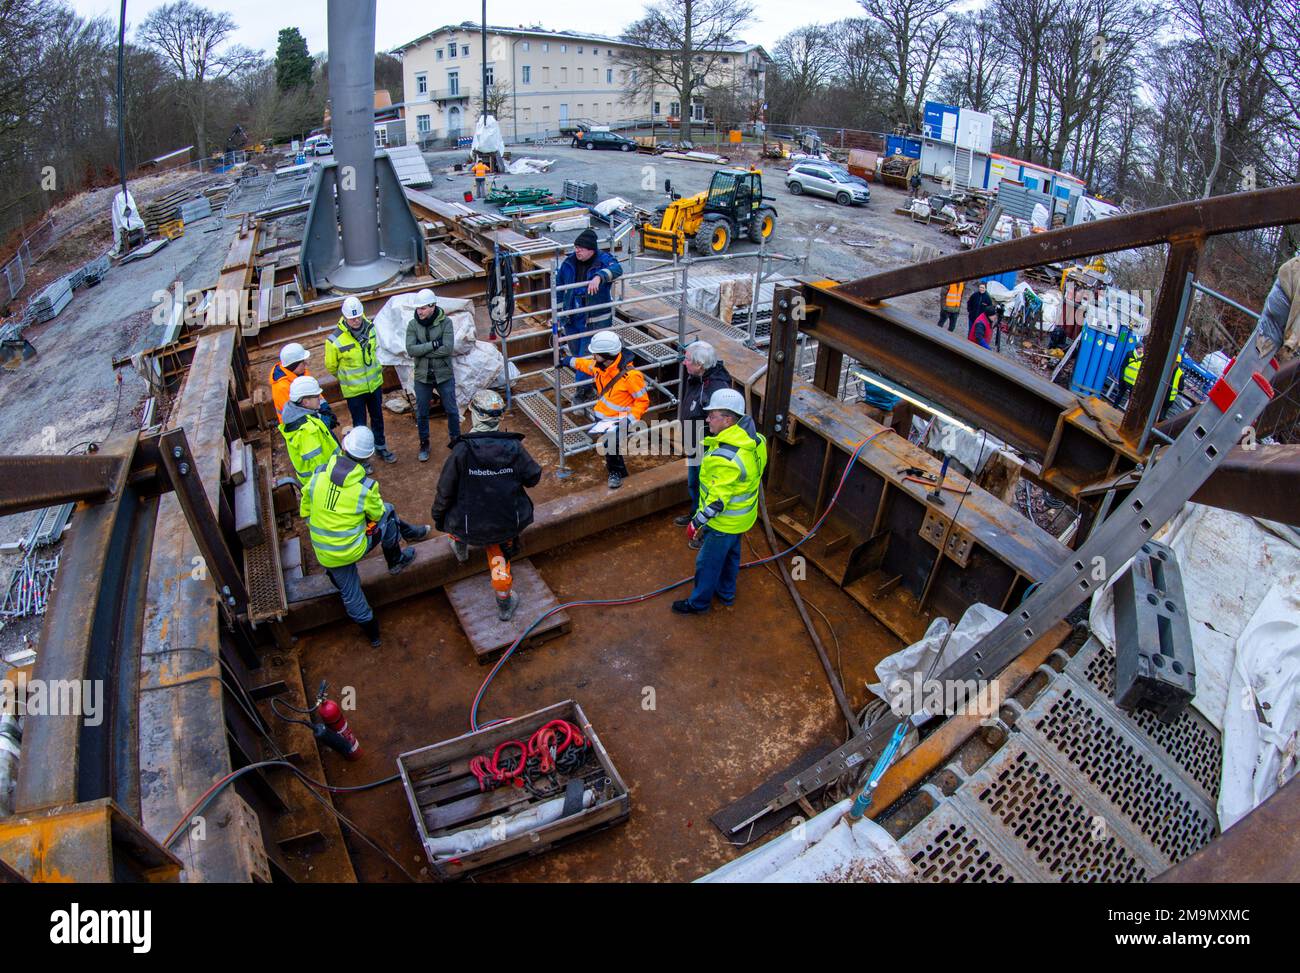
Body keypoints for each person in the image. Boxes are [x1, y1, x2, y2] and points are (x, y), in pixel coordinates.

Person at [299, 426, 428, 646]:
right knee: (388, 512)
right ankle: (396, 560)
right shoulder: (365, 487)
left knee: (351, 594)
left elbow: (305, 510)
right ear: (367, 457)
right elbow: (377, 513)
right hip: (352, 548)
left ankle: (374, 637)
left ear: (343, 446)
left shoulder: (319, 473)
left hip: (325, 551)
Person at [434, 390, 543, 622]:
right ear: (498, 417)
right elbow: (533, 477)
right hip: (502, 521)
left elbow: (445, 490)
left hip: (468, 523)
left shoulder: (462, 451)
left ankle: (459, 547)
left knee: (453, 514)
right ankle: (504, 602)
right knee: (499, 557)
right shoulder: (513, 448)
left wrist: (438, 518)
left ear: (474, 413)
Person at [672, 389, 768, 615]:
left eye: (712, 415)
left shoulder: (724, 459)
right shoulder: (757, 441)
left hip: (723, 523)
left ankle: (699, 604)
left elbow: (717, 502)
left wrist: (696, 523)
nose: (707, 419)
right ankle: (726, 594)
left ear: (727, 419)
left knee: (707, 564)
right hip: (743, 519)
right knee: (732, 556)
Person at [563, 329, 648, 490]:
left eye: (596, 354)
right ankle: (620, 472)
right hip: (603, 418)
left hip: (620, 420)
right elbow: (586, 365)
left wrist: (628, 420)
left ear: (608, 356)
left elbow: (642, 401)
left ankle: (615, 473)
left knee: (610, 445)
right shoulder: (601, 366)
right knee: (611, 449)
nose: (593, 357)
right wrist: (568, 361)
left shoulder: (631, 377)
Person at [325, 295, 396, 465]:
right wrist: (348, 378)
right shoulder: (335, 340)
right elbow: (331, 366)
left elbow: (377, 350)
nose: (356, 321)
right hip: (354, 391)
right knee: (360, 424)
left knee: (377, 418)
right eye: (352, 318)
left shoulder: (371, 329)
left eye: (358, 317)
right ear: (344, 317)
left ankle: (381, 447)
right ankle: (361, 458)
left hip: (374, 386)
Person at [674, 341, 732, 544]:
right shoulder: (697, 377)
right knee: (694, 484)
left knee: (706, 490)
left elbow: (722, 425)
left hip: (706, 449)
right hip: (694, 444)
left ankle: (704, 531)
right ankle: (694, 515)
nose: (683, 363)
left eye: (687, 360)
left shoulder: (716, 389)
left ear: (700, 365)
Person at [556, 228, 623, 399]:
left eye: (581, 248)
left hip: (593, 319)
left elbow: (617, 268)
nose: (577, 250)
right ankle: (588, 382)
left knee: (586, 355)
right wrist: (557, 313)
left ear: (592, 250)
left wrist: (599, 277)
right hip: (572, 317)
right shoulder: (569, 263)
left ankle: (581, 393)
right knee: (576, 351)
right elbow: (559, 288)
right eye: (576, 247)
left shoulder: (602, 260)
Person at [405, 288, 459, 462]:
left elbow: (448, 349)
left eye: (422, 308)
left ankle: (456, 441)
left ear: (432, 306)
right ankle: (424, 443)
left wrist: (423, 349)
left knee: (451, 410)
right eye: (418, 308)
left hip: (444, 375)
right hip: (423, 377)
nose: (419, 311)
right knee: (422, 413)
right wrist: (434, 344)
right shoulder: (413, 325)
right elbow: (411, 350)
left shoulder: (446, 323)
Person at [279, 375, 339, 487]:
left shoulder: (302, 416)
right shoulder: (306, 431)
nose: (320, 399)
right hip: (324, 483)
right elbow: (317, 465)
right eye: (316, 396)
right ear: (306, 402)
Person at [269, 342, 336, 427]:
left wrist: (324, 406)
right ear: (294, 365)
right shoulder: (282, 387)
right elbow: (298, 415)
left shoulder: (301, 372)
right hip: (299, 428)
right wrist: (324, 420)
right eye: (303, 362)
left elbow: (314, 392)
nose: (306, 364)